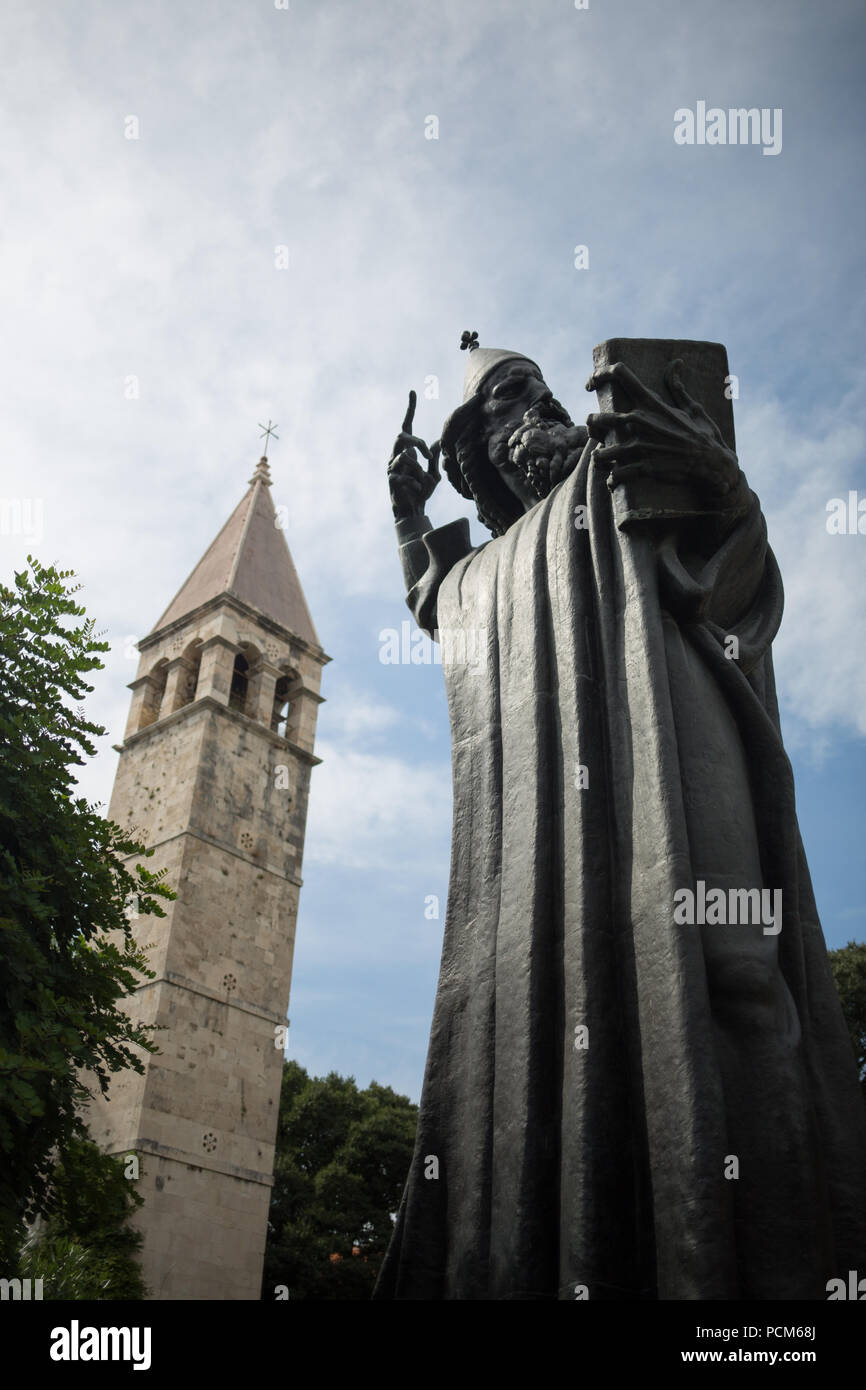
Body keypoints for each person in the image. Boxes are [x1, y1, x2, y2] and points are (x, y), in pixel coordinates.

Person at [375, 333, 866, 1300]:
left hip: (679, 723)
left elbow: (730, 544)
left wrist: (721, 481)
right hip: (554, 805)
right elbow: (438, 602)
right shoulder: (489, 570)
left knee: (741, 971)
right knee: (562, 1033)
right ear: (481, 461)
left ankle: (779, 1297)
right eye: (510, 402)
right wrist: (406, 515)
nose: (539, 409)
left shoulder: (624, 456)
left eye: (537, 389)